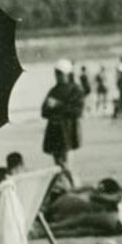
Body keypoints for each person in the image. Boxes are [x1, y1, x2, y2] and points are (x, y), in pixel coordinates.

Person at [41, 58, 84, 189]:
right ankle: (68, 185)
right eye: (57, 73)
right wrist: (56, 108)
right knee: (58, 162)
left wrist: (57, 106)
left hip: (68, 130)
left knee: (64, 162)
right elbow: (44, 112)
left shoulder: (75, 90)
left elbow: (77, 111)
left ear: (67, 74)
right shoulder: (54, 90)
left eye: (60, 73)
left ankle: (72, 184)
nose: (58, 76)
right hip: (55, 130)